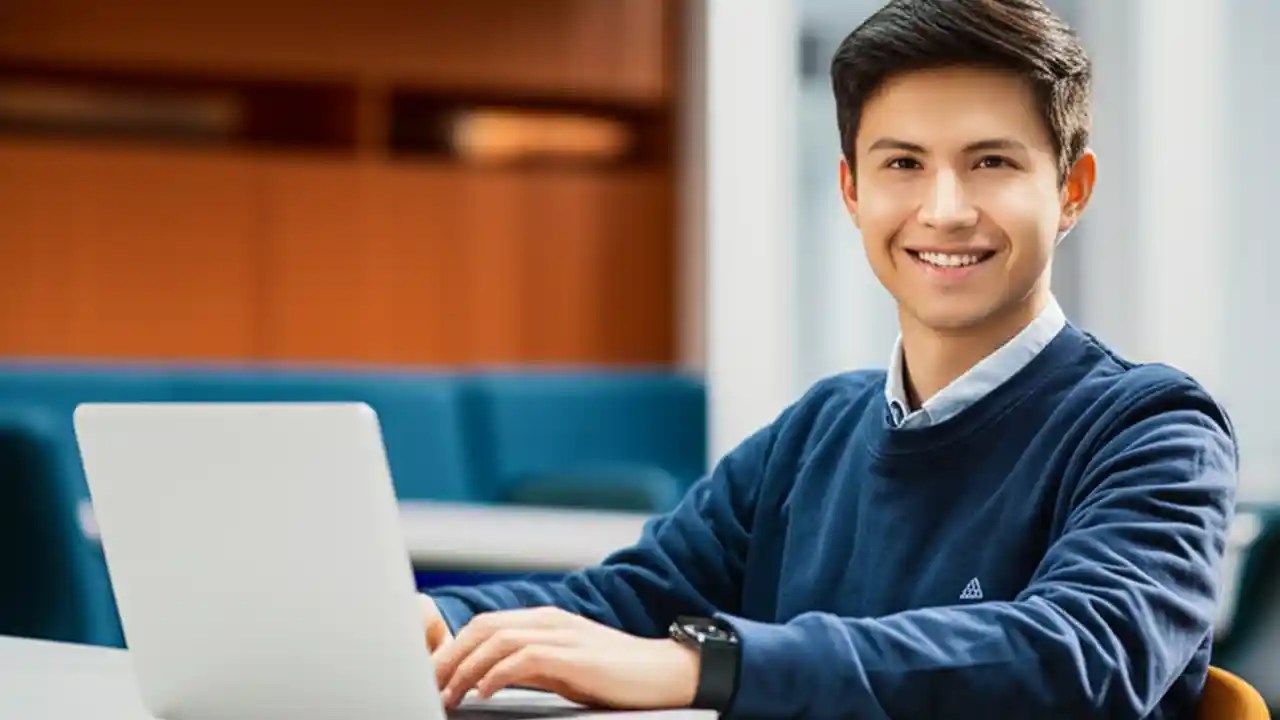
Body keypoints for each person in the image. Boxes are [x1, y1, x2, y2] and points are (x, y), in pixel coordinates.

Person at [420, 1, 1238, 717]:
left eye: (991, 162)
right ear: (852, 190)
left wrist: (705, 664)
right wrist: (442, 626)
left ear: (1072, 189)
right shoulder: (816, 432)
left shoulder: (1154, 428)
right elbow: (627, 601)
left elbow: (1078, 658)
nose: (944, 210)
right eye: (902, 164)